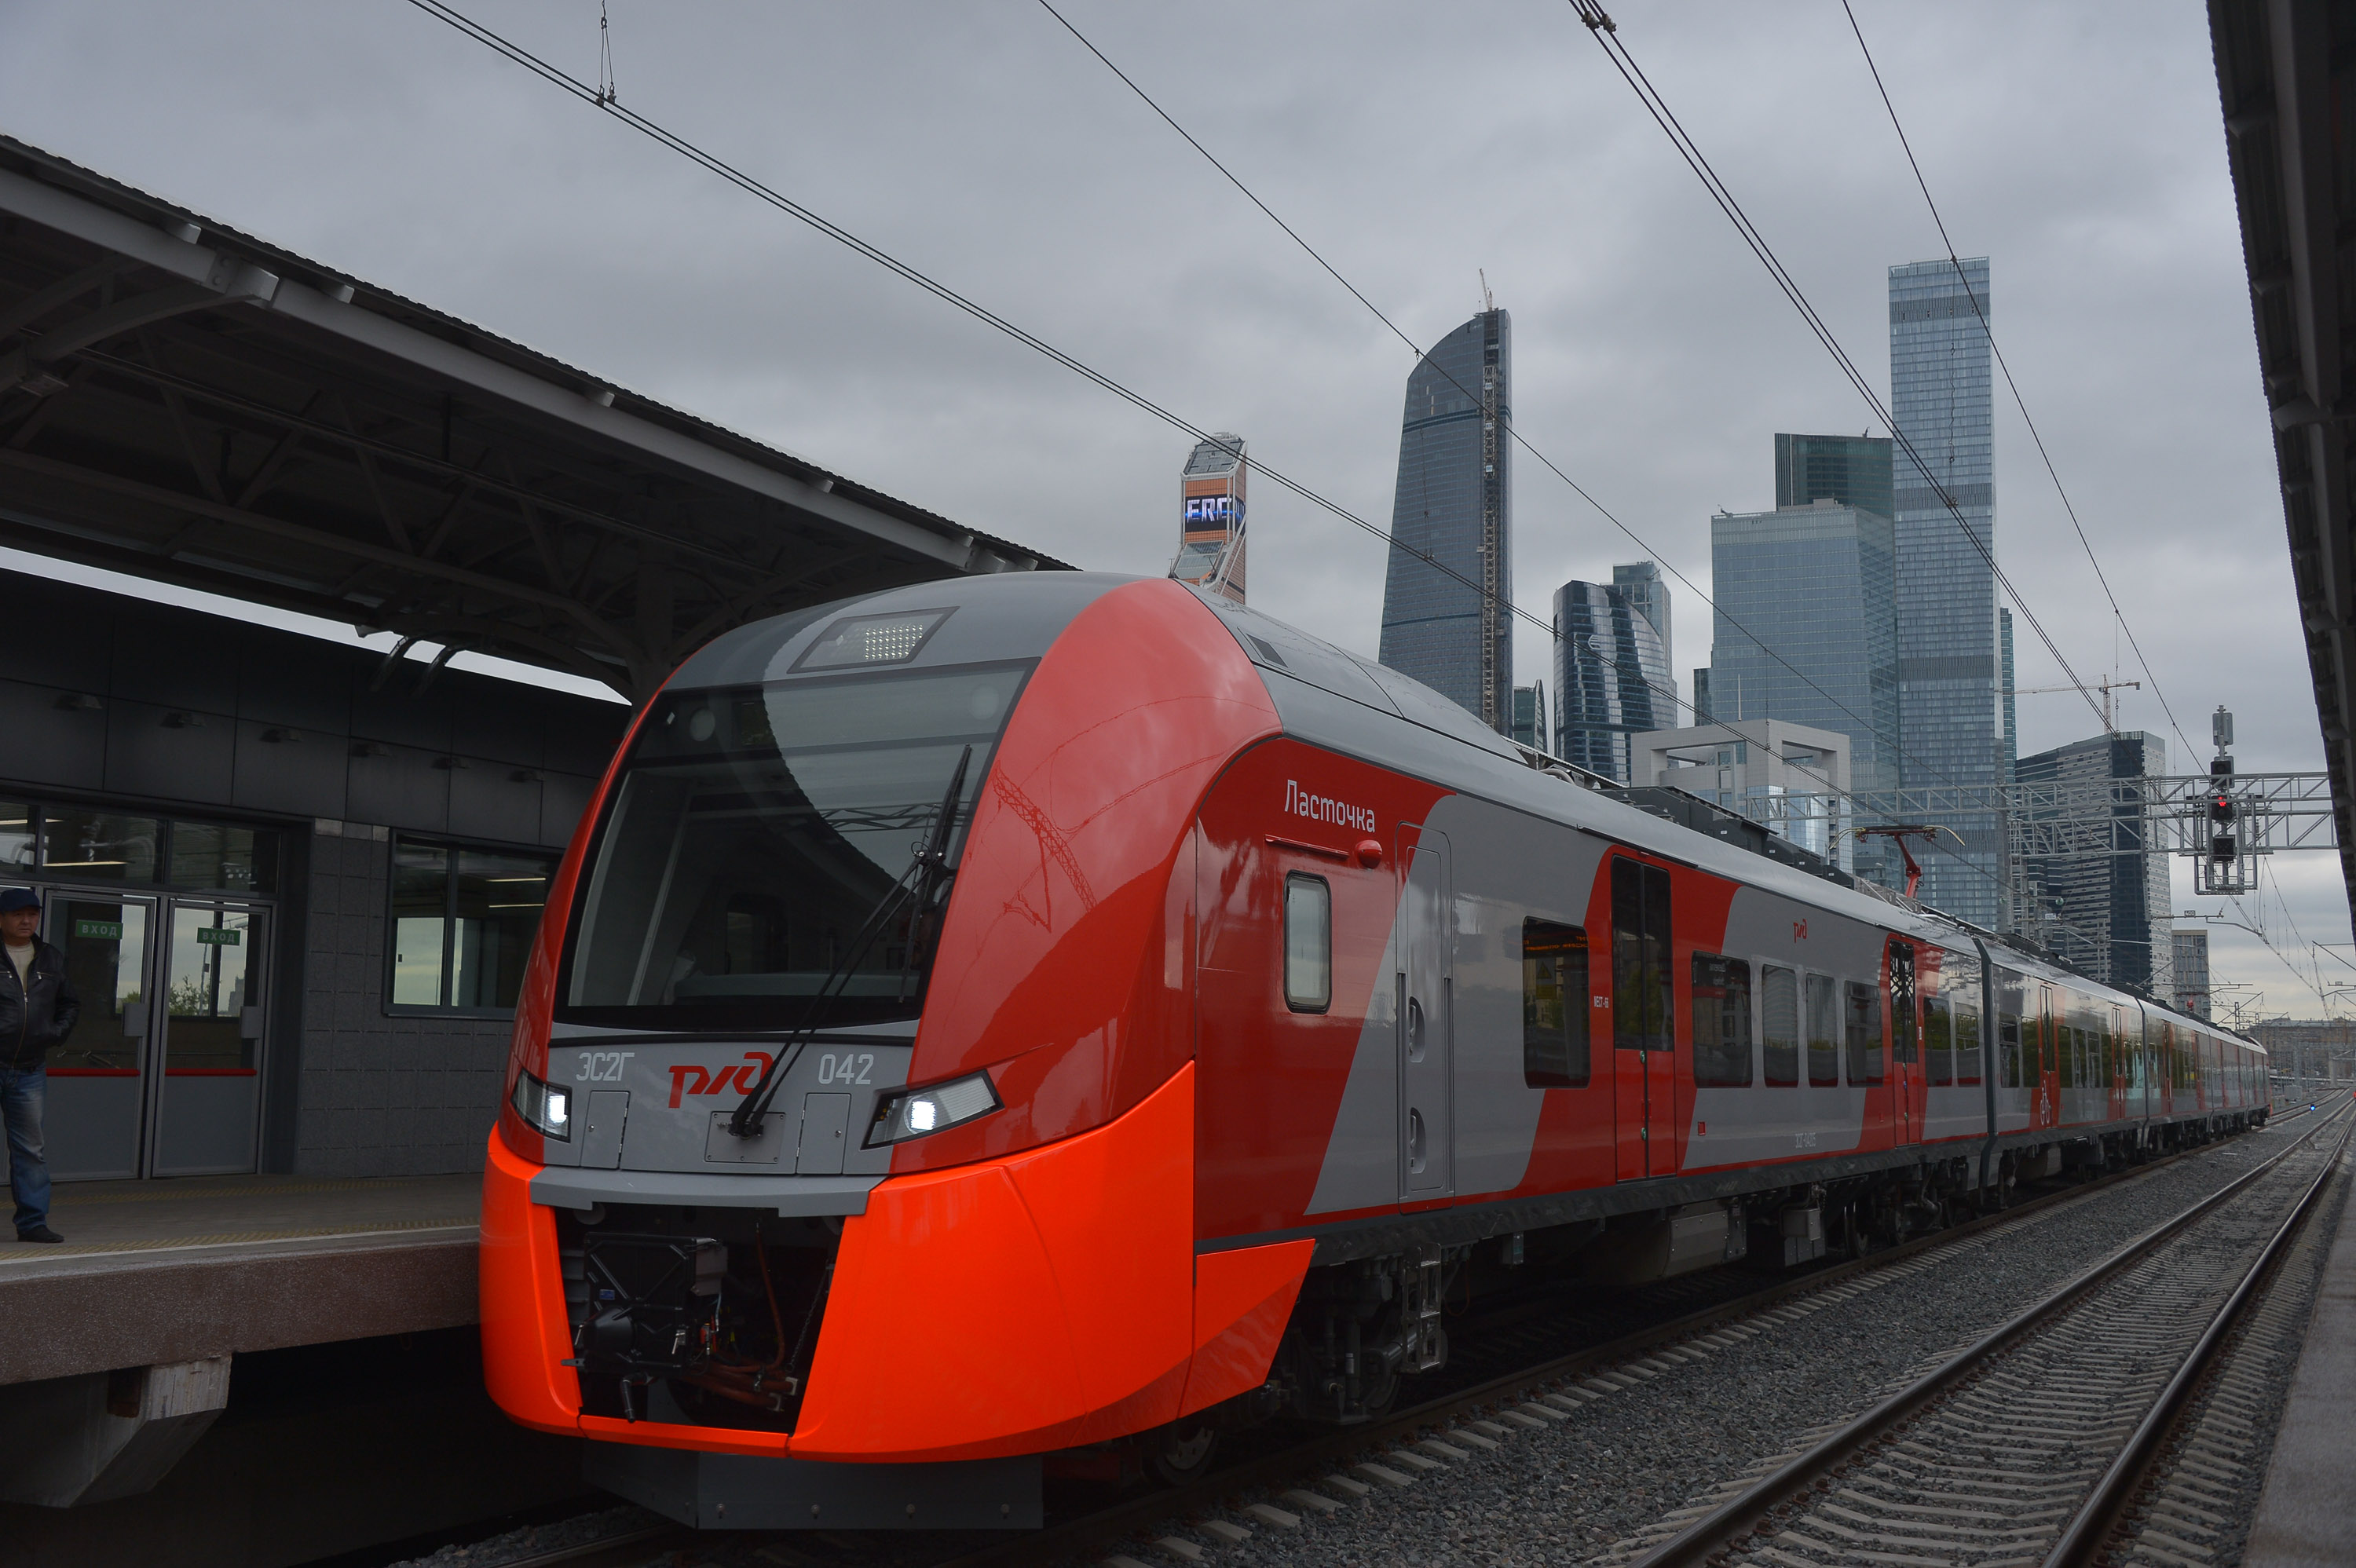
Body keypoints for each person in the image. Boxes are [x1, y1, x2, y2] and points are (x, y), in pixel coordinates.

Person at [0, 887, 76, 1243]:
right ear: (2, 918)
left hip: (29, 1069)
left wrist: (55, 1033)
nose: (26, 921)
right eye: (18, 914)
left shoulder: (50, 958)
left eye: (32, 914)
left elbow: (70, 1003)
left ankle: (32, 1223)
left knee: (31, 1150)